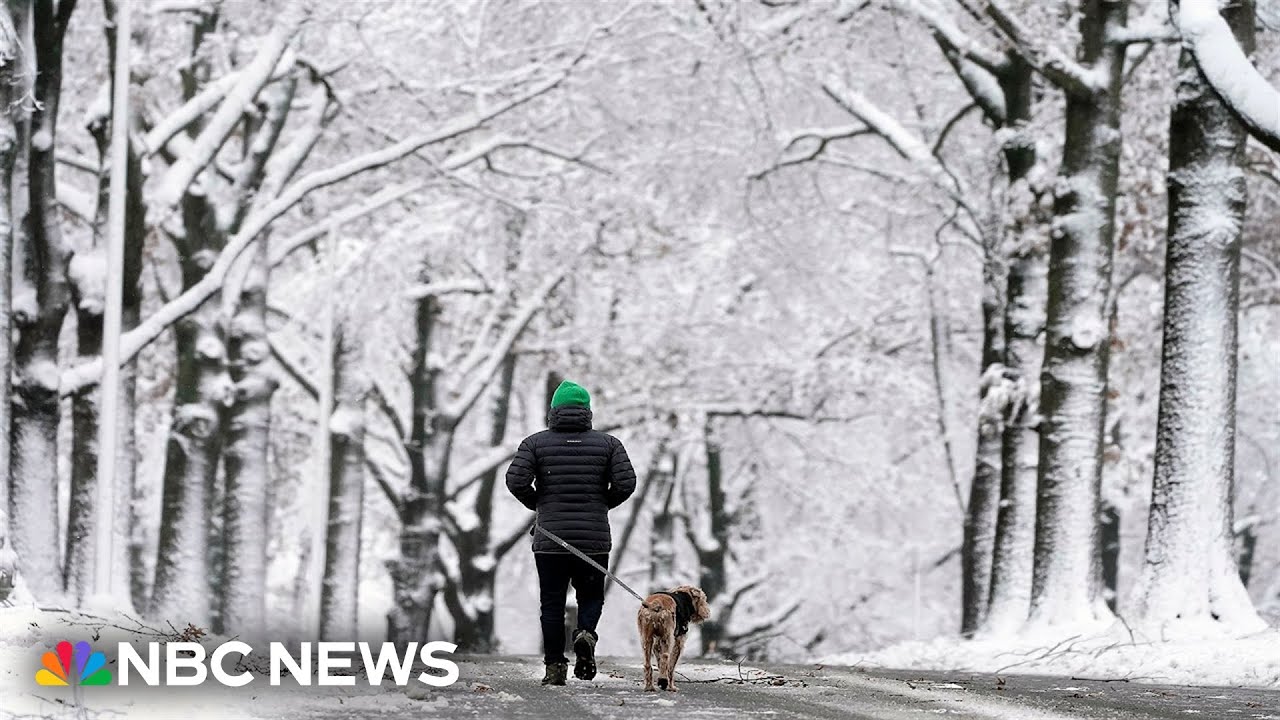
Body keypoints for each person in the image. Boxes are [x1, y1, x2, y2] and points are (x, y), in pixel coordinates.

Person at [505, 379, 636, 686]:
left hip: (550, 539)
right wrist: (603, 503)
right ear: (587, 411)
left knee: (551, 603)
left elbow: (515, 480)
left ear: (554, 411)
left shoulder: (535, 444)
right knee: (591, 595)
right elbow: (626, 483)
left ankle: (554, 667)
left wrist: (539, 504)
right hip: (593, 538)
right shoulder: (609, 444)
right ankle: (586, 633)